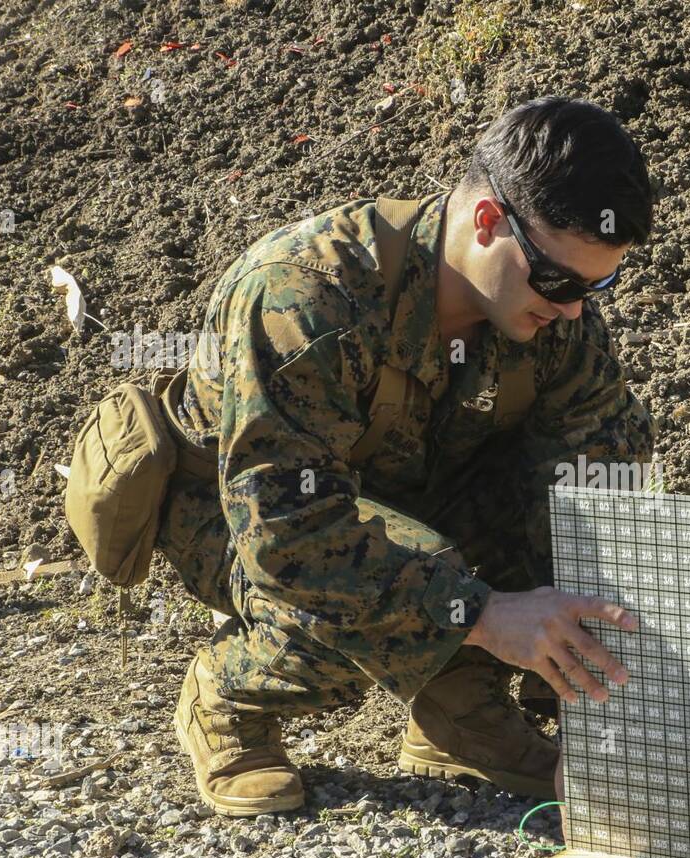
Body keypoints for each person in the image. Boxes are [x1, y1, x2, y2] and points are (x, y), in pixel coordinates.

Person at [156, 96, 655, 817]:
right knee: (363, 605)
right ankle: (226, 693)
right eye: (561, 283)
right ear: (488, 222)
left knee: (583, 481)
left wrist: (608, 642)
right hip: (237, 515)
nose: (576, 308)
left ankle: (457, 708)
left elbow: (609, 459)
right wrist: (479, 614)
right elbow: (289, 533)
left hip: (401, 493)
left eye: (597, 284)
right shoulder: (305, 295)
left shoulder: (553, 309)